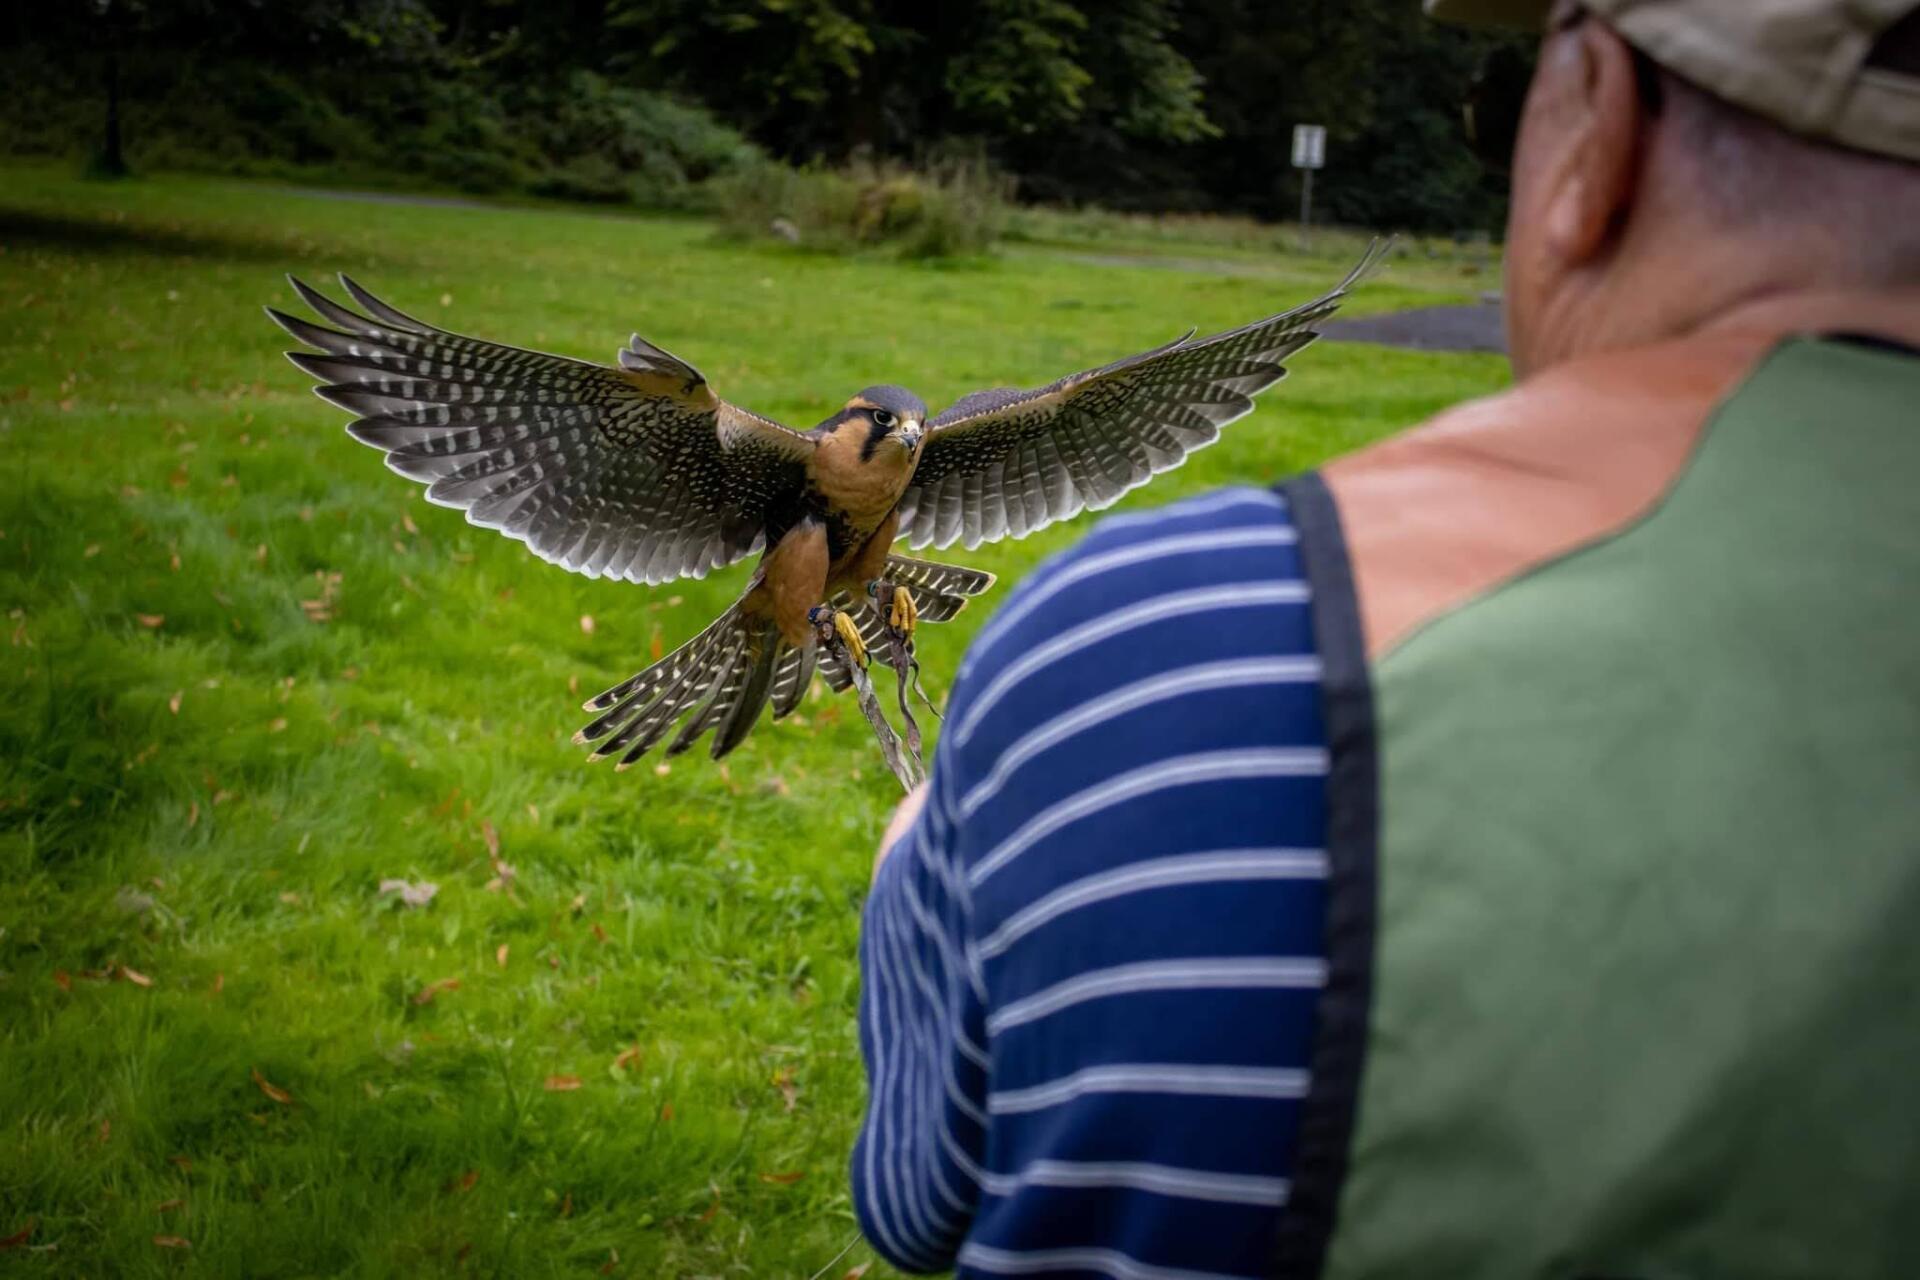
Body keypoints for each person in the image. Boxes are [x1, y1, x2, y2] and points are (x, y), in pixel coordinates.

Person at [851, 1, 1920, 1276]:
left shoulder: (1156, 660)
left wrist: (920, 862)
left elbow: (917, 1197)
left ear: (1591, 128)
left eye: (1499, 105)